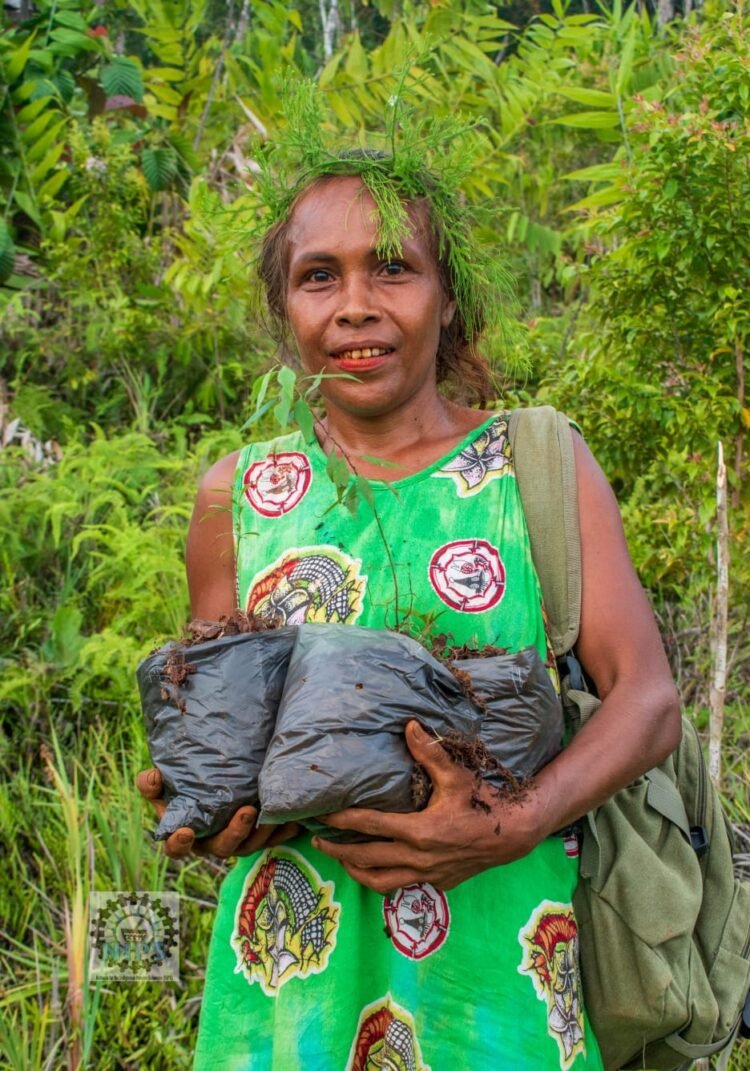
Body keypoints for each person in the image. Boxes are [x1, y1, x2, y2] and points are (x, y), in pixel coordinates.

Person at [137, 157, 681, 1070]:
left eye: (393, 267)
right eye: (320, 276)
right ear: (287, 309)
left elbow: (648, 699)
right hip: (294, 986)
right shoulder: (237, 494)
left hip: (499, 965)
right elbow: (224, 733)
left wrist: (510, 822)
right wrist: (217, 814)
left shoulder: (534, 466)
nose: (355, 305)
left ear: (448, 297)